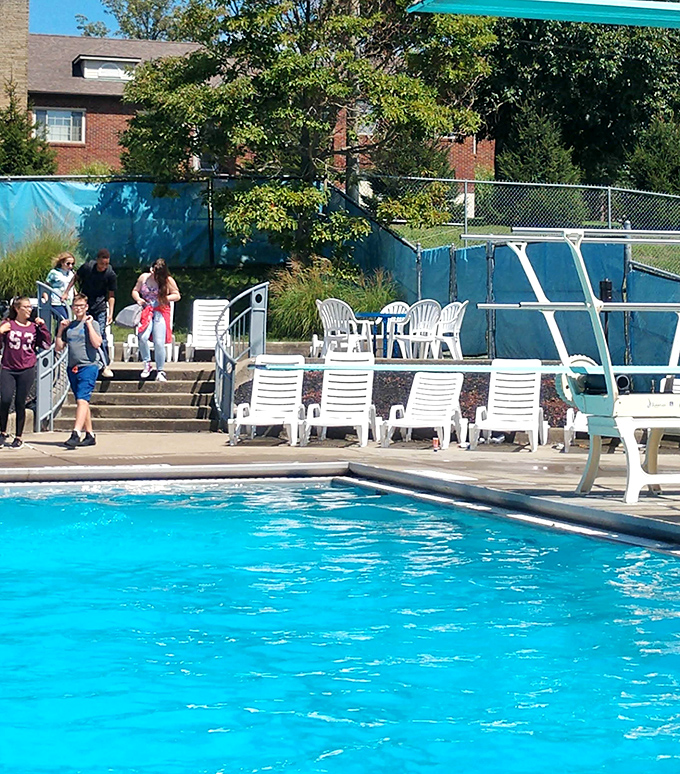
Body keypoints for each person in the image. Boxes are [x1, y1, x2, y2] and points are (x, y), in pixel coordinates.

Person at [0, 297, 51, 449]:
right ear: (17, 309)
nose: (29, 309)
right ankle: (2, 432)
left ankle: (19, 436)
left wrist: (43, 327)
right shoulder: (8, 324)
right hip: (8, 368)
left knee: (20, 402)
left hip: (27, 368)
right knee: (5, 399)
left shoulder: (34, 327)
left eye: (30, 307)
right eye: (26, 307)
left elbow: (46, 343)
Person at [55, 293, 102, 449]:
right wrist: (60, 331)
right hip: (72, 367)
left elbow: (97, 344)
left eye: (81, 306)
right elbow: (58, 347)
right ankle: (90, 434)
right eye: (76, 306)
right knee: (82, 401)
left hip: (88, 365)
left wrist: (88, 325)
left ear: (86, 307)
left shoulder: (92, 323)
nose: (78, 309)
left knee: (82, 399)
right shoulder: (70, 325)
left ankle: (76, 432)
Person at [62, 248, 116, 378]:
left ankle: (105, 365)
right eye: (102, 264)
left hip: (100, 307)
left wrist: (111, 313)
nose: (103, 267)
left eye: (106, 264)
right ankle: (86, 361)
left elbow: (111, 295)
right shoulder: (87, 267)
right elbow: (75, 278)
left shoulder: (110, 274)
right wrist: (66, 292)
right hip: (84, 305)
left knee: (101, 335)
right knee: (82, 331)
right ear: (97, 260)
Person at [131, 259, 181, 381]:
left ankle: (160, 370)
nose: (156, 276)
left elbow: (177, 295)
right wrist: (139, 299)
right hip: (146, 310)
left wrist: (164, 299)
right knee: (142, 336)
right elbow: (135, 291)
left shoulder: (168, 280)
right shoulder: (144, 278)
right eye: (154, 272)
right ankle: (147, 363)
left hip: (161, 311)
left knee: (159, 342)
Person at [44, 251, 75, 321]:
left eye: (72, 264)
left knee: (66, 323)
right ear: (62, 263)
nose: (70, 266)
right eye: (68, 264)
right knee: (64, 320)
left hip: (69, 302)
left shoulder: (71, 273)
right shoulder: (54, 273)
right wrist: (46, 299)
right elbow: (45, 286)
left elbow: (72, 286)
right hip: (57, 302)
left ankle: (58, 332)